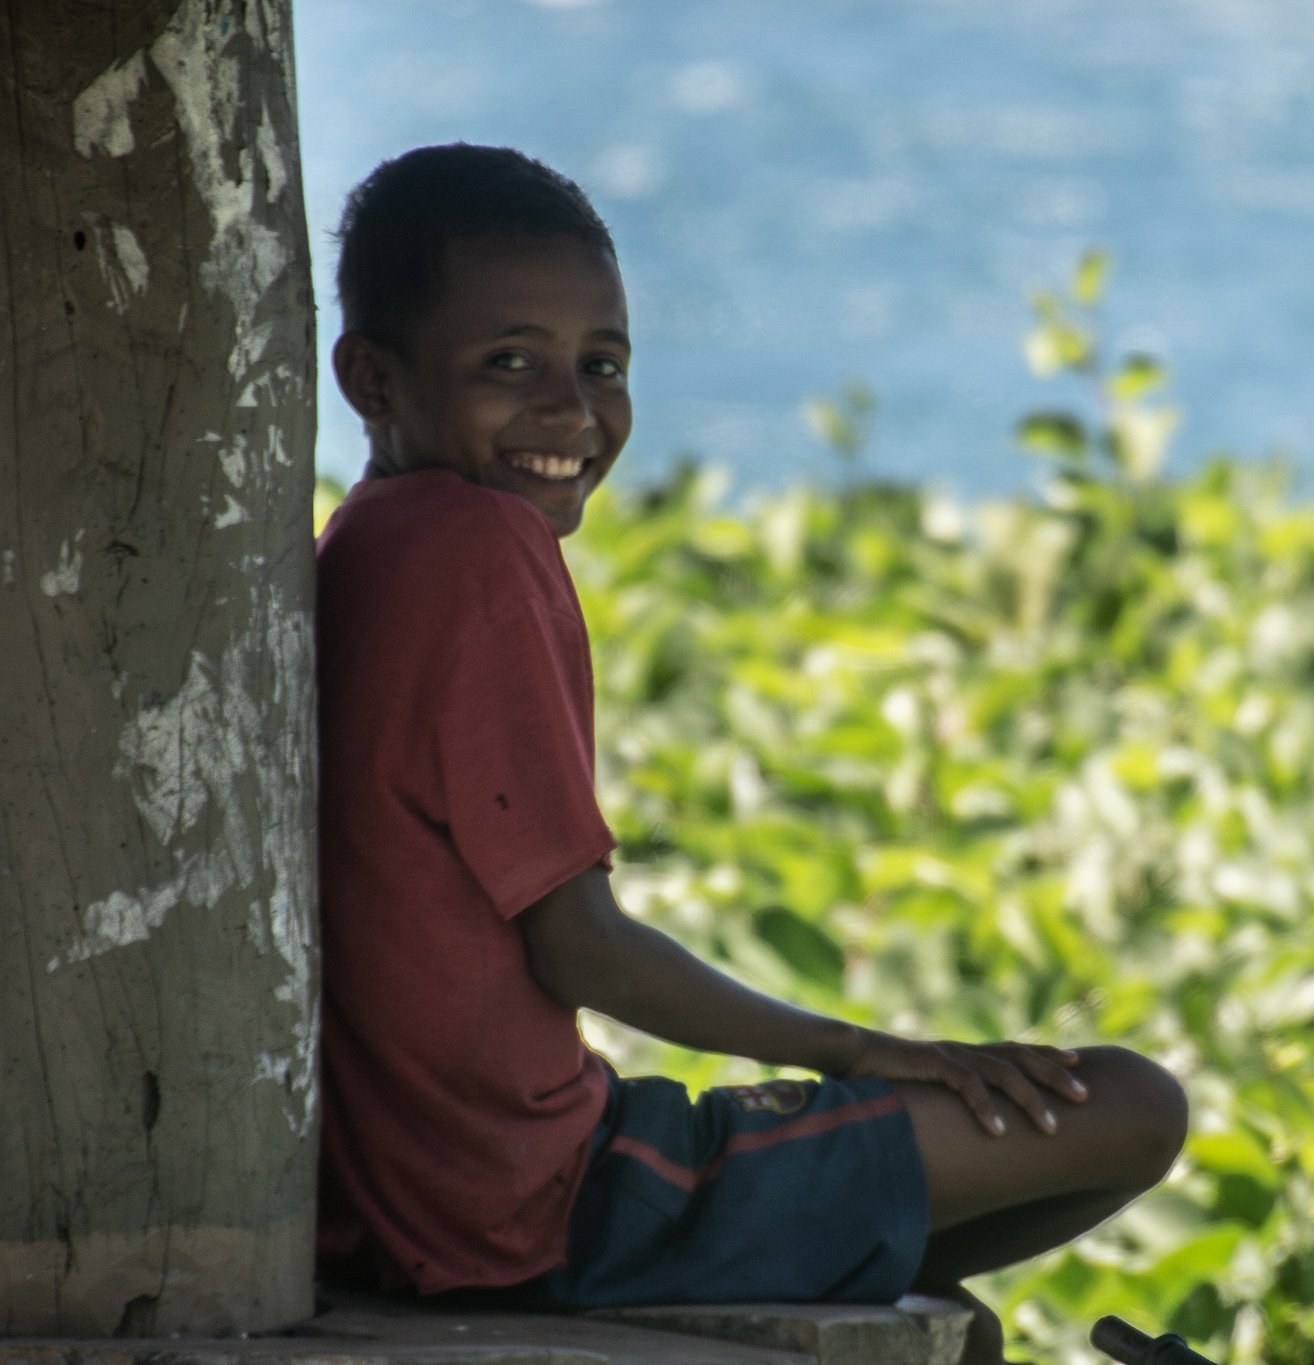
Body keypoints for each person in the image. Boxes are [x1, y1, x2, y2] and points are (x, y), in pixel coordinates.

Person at [314, 143, 1187, 1364]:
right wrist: (858, 1049)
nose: (571, 409)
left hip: (410, 1204)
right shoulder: (476, 551)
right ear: (373, 376)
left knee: (957, 1309)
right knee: (1134, 1105)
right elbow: (581, 944)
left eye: (602, 365)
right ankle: (828, 1253)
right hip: (539, 1211)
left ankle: (837, 1256)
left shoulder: (365, 541)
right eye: (509, 362)